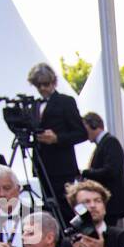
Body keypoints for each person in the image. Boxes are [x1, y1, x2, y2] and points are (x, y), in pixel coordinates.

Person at [26, 63, 86, 223]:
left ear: (53, 82)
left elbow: (81, 133)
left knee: (68, 207)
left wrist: (57, 138)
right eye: (38, 85)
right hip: (43, 165)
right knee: (49, 205)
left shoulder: (66, 102)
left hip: (63, 167)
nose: (42, 88)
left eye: (45, 84)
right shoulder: (35, 105)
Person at [80, 113, 124, 224]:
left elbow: (111, 171)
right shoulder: (105, 143)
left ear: (93, 125)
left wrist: (86, 173)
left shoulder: (110, 142)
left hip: (110, 203)